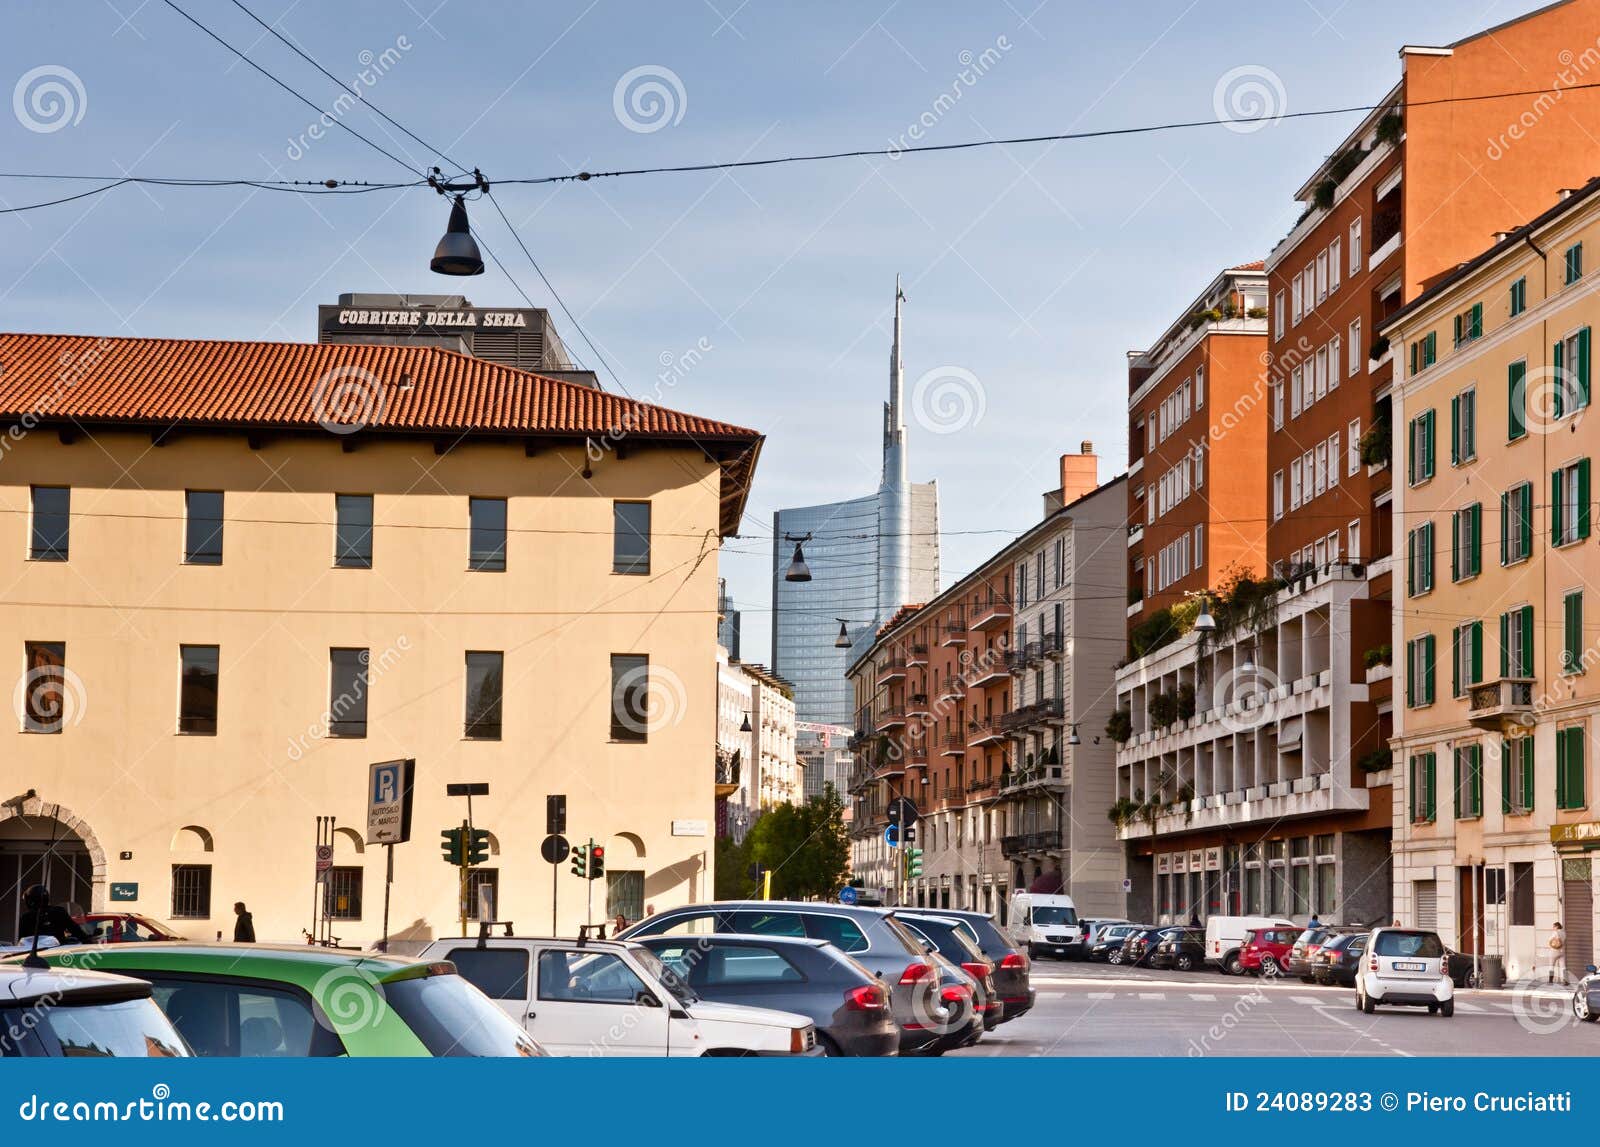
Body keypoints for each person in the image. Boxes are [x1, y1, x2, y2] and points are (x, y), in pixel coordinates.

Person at [22, 885, 90, 945]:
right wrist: (88, 942)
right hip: (59, 950)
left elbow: (22, 940)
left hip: (37, 952)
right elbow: (75, 930)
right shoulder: (59, 911)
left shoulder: (26, 917)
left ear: (30, 902)